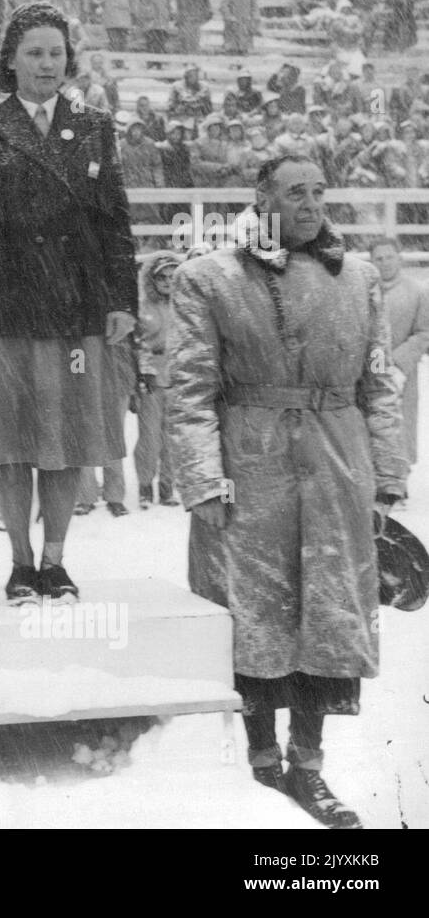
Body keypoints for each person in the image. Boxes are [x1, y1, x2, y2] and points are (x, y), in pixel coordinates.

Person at [167, 154, 408, 830]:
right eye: (295, 192)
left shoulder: (358, 279)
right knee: (256, 617)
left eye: (319, 191)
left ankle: (309, 766)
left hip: (338, 465)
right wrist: (202, 479)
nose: (310, 203)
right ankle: (260, 760)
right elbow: (188, 390)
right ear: (261, 198)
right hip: (252, 464)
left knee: (325, 618)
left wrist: (387, 478)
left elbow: (380, 385)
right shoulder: (208, 278)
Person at [0, 2, 138, 604]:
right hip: (8, 310)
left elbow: (115, 220)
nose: (47, 63)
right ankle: (19, 561)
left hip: (76, 308)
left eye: (56, 52)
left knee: (65, 441)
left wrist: (121, 299)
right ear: (10, 60)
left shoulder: (94, 124)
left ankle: (55, 559)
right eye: (34, 52)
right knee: (9, 444)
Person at [368, 237, 429, 472]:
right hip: (372, 369)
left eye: (389, 257)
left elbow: (424, 333)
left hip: (402, 371)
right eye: (378, 259)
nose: (385, 263)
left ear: (400, 258)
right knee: (373, 422)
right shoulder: (366, 291)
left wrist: (398, 364)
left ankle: (399, 477)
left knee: (401, 422)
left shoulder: (418, 291)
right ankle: (378, 479)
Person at [134, 250, 181, 506]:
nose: (167, 282)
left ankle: (167, 487)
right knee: (149, 437)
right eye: (161, 277)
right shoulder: (143, 307)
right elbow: (137, 344)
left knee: (171, 438)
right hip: (151, 378)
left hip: (177, 377)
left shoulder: (184, 304)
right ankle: (144, 486)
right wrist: (145, 371)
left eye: (172, 277)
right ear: (152, 279)